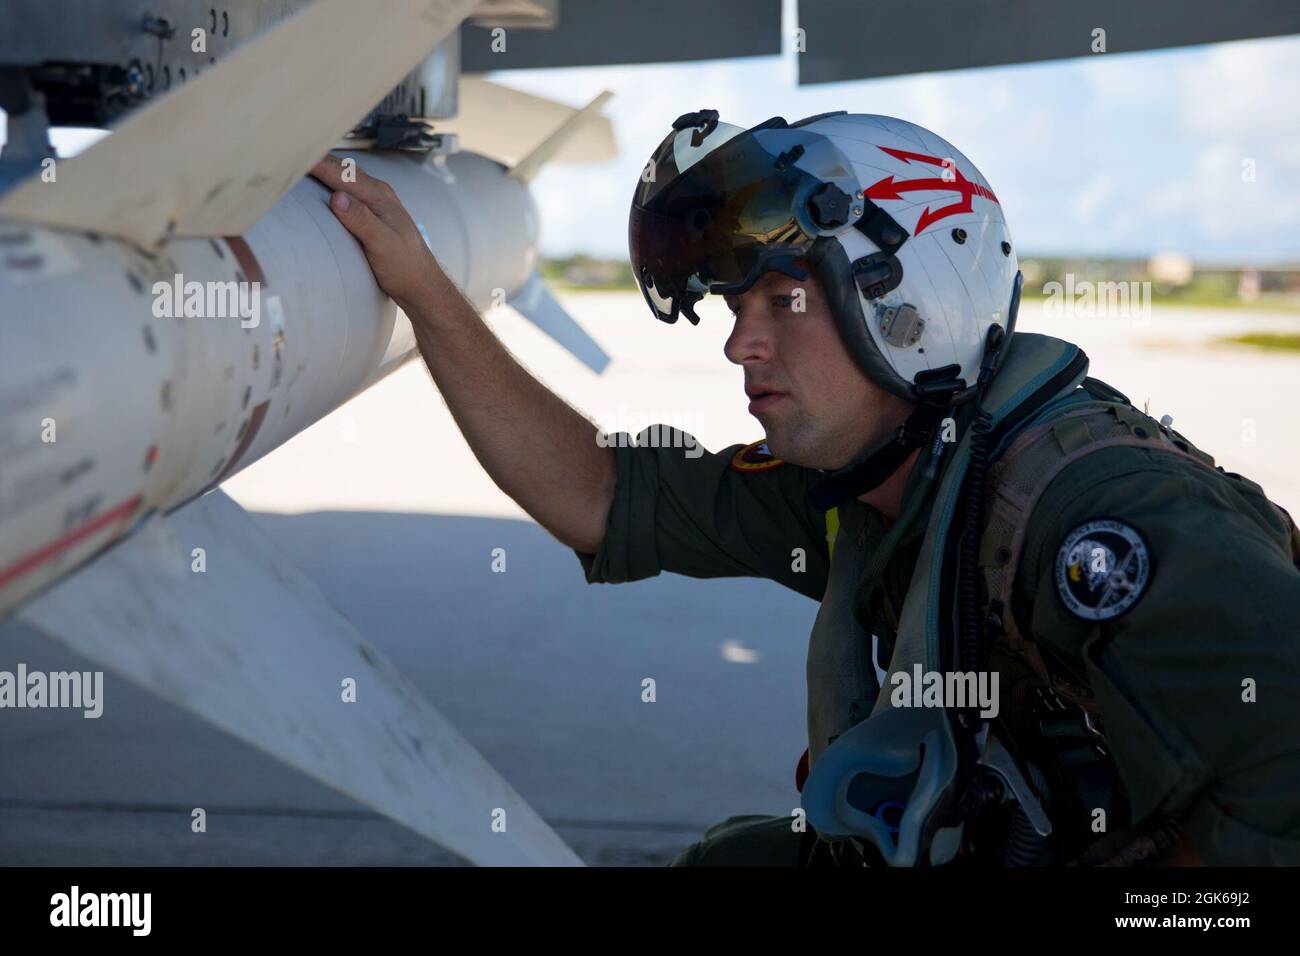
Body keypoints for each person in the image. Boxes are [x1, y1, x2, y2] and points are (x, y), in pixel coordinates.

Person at [310, 109, 1300, 867]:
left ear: (912, 305)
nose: (741, 342)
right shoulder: (865, 482)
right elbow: (600, 495)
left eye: (783, 300)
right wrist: (422, 288)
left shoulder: (1108, 523)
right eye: (738, 307)